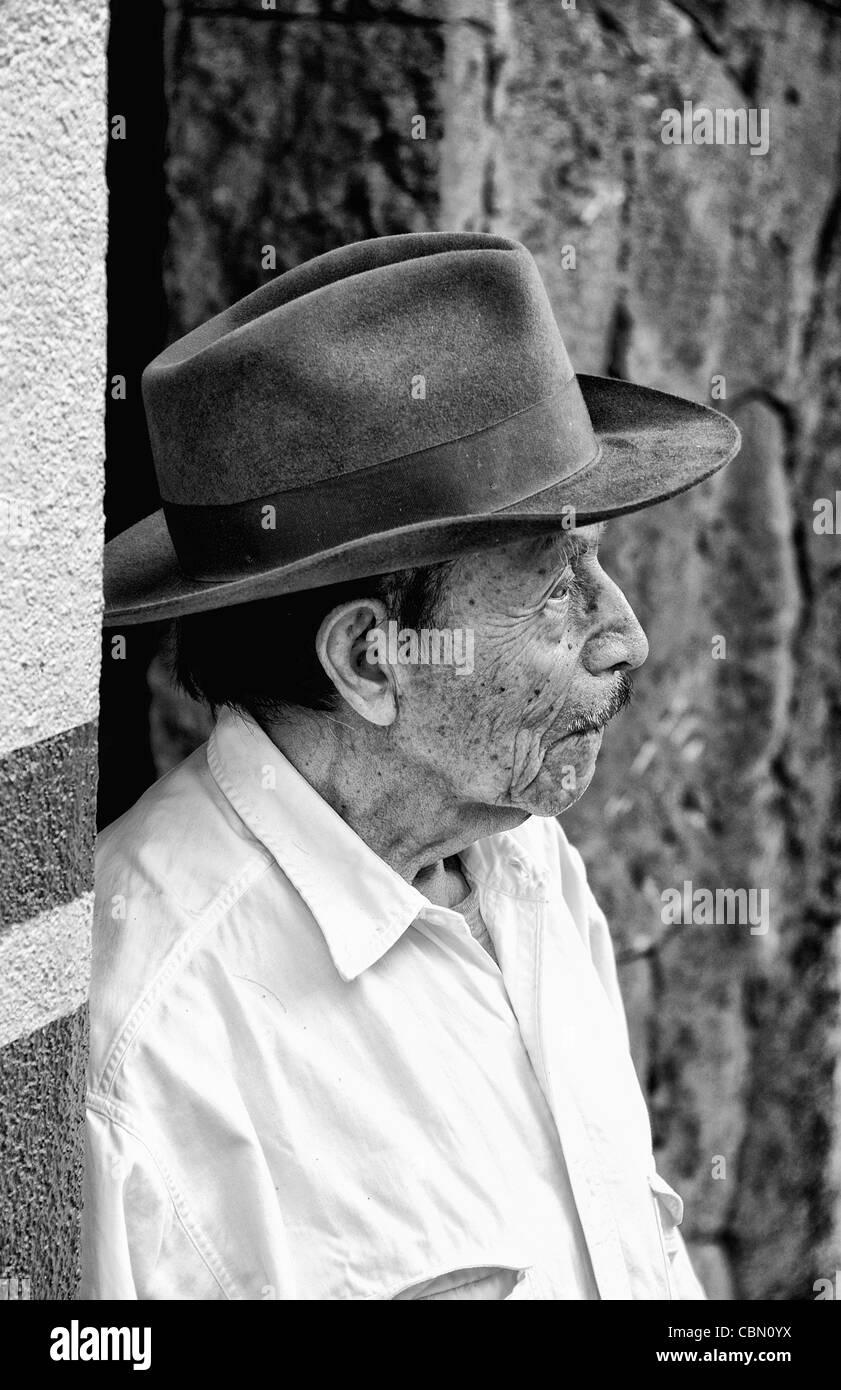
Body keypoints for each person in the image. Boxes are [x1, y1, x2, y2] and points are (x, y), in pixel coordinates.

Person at [82, 232, 740, 1299]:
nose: (626, 637)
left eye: (597, 559)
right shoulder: (143, 1040)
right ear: (369, 660)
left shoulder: (530, 871)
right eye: (554, 581)